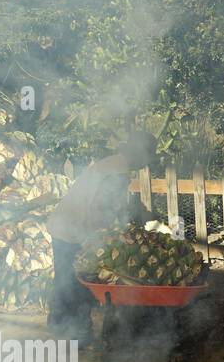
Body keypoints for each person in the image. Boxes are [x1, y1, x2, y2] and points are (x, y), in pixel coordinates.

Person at [45, 130, 157, 342]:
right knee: (74, 282)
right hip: (72, 229)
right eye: (148, 156)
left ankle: (62, 327)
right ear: (139, 153)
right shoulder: (117, 172)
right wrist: (102, 240)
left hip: (66, 225)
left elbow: (109, 206)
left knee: (65, 278)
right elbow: (99, 209)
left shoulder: (113, 164)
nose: (147, 163)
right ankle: (72, 334)